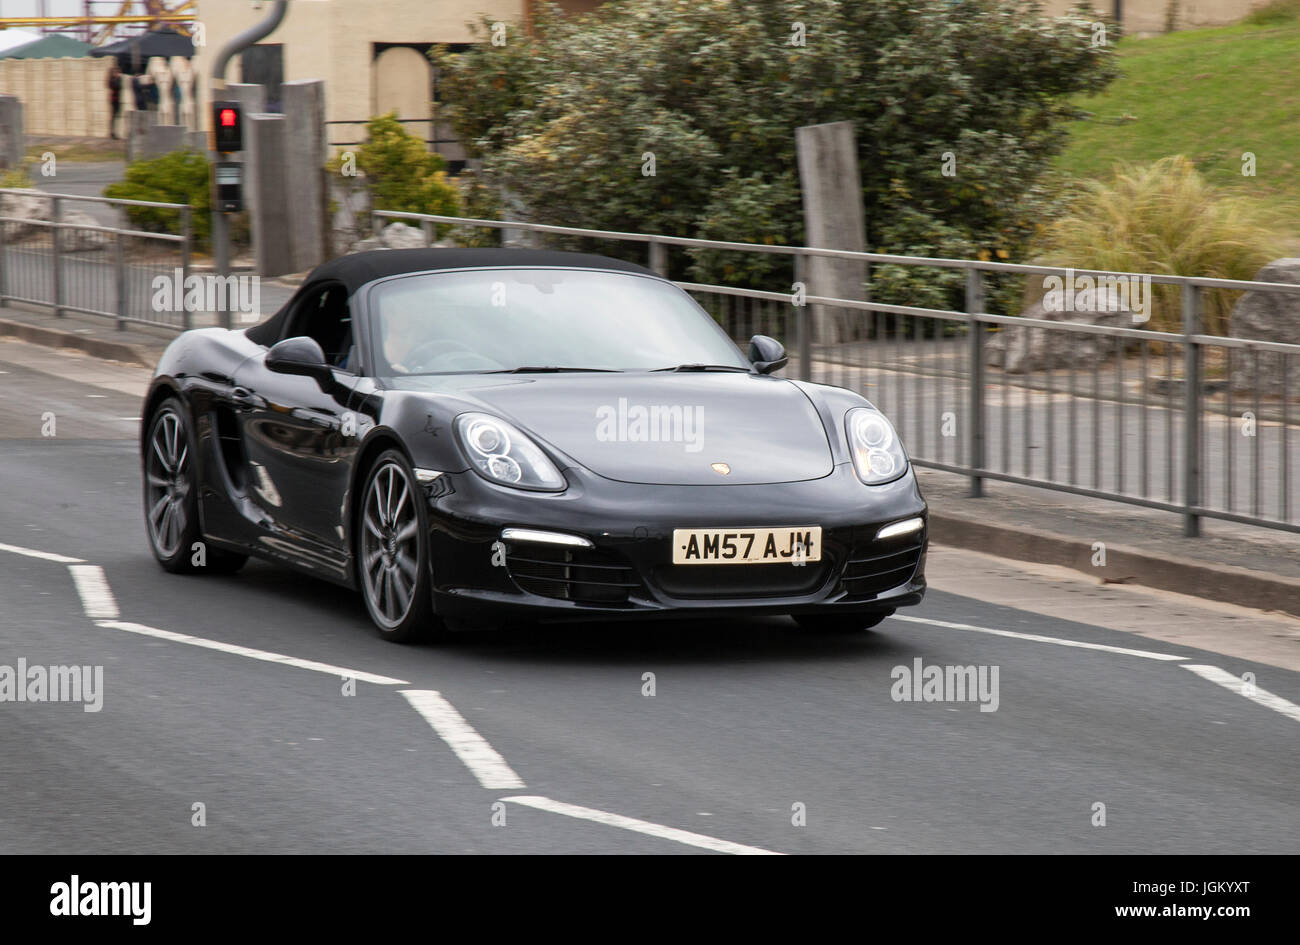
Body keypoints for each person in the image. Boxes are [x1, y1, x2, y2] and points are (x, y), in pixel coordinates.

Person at [106, 63, 122, 139]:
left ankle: (113, 132)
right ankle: (112, 132)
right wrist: (118, 79)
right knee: (114, 116)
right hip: (114, 100)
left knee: (115, 116)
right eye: (116, 72)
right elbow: (117, 86)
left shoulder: (115, 80)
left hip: (116, 99)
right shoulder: (112, 80)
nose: (118, 74)